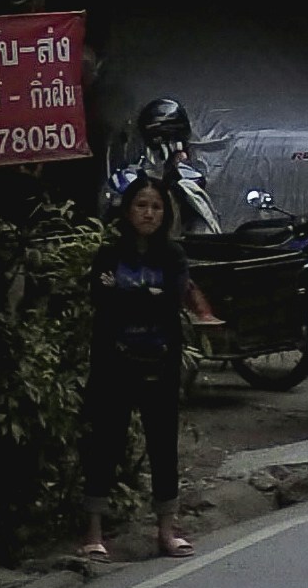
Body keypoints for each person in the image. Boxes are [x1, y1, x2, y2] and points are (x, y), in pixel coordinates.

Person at [76, 174, 218, 559]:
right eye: (141, 205)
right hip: (114, 362)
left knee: (162, 445)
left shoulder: (172, 256)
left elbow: (171, 299)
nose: (149, 213)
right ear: (127, 209)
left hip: (160, 359)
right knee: (105, 442)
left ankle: (167, 530)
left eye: (156, 207)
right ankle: (93, 533)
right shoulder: (109, 254)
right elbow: (104, 303)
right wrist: (145, 297)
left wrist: (134, 295)